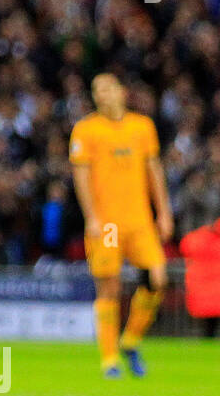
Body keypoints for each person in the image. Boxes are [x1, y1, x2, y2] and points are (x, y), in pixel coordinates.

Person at [69, 73, 173, 377]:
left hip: (140, 220)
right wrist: (92, 217)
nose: (100, 95)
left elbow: (154, 169)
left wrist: (164, 212)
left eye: (106, 88)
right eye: (95, 90)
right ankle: (110, 359)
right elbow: (81, 176)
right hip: (109, 225)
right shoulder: (86, 130)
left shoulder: (142, 127)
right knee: (109, 285)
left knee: (157, 279)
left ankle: (130, 340)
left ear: (121, 92)